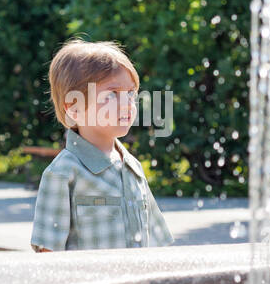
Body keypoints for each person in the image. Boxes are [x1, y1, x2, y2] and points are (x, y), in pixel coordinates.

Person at [30, 38, 175, 252]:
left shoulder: (132, 167)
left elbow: (159, 245)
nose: (127, 103)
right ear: (74, 108)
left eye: (130, 94)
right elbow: (47, 253)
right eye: (111, 95)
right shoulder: (63, 173)